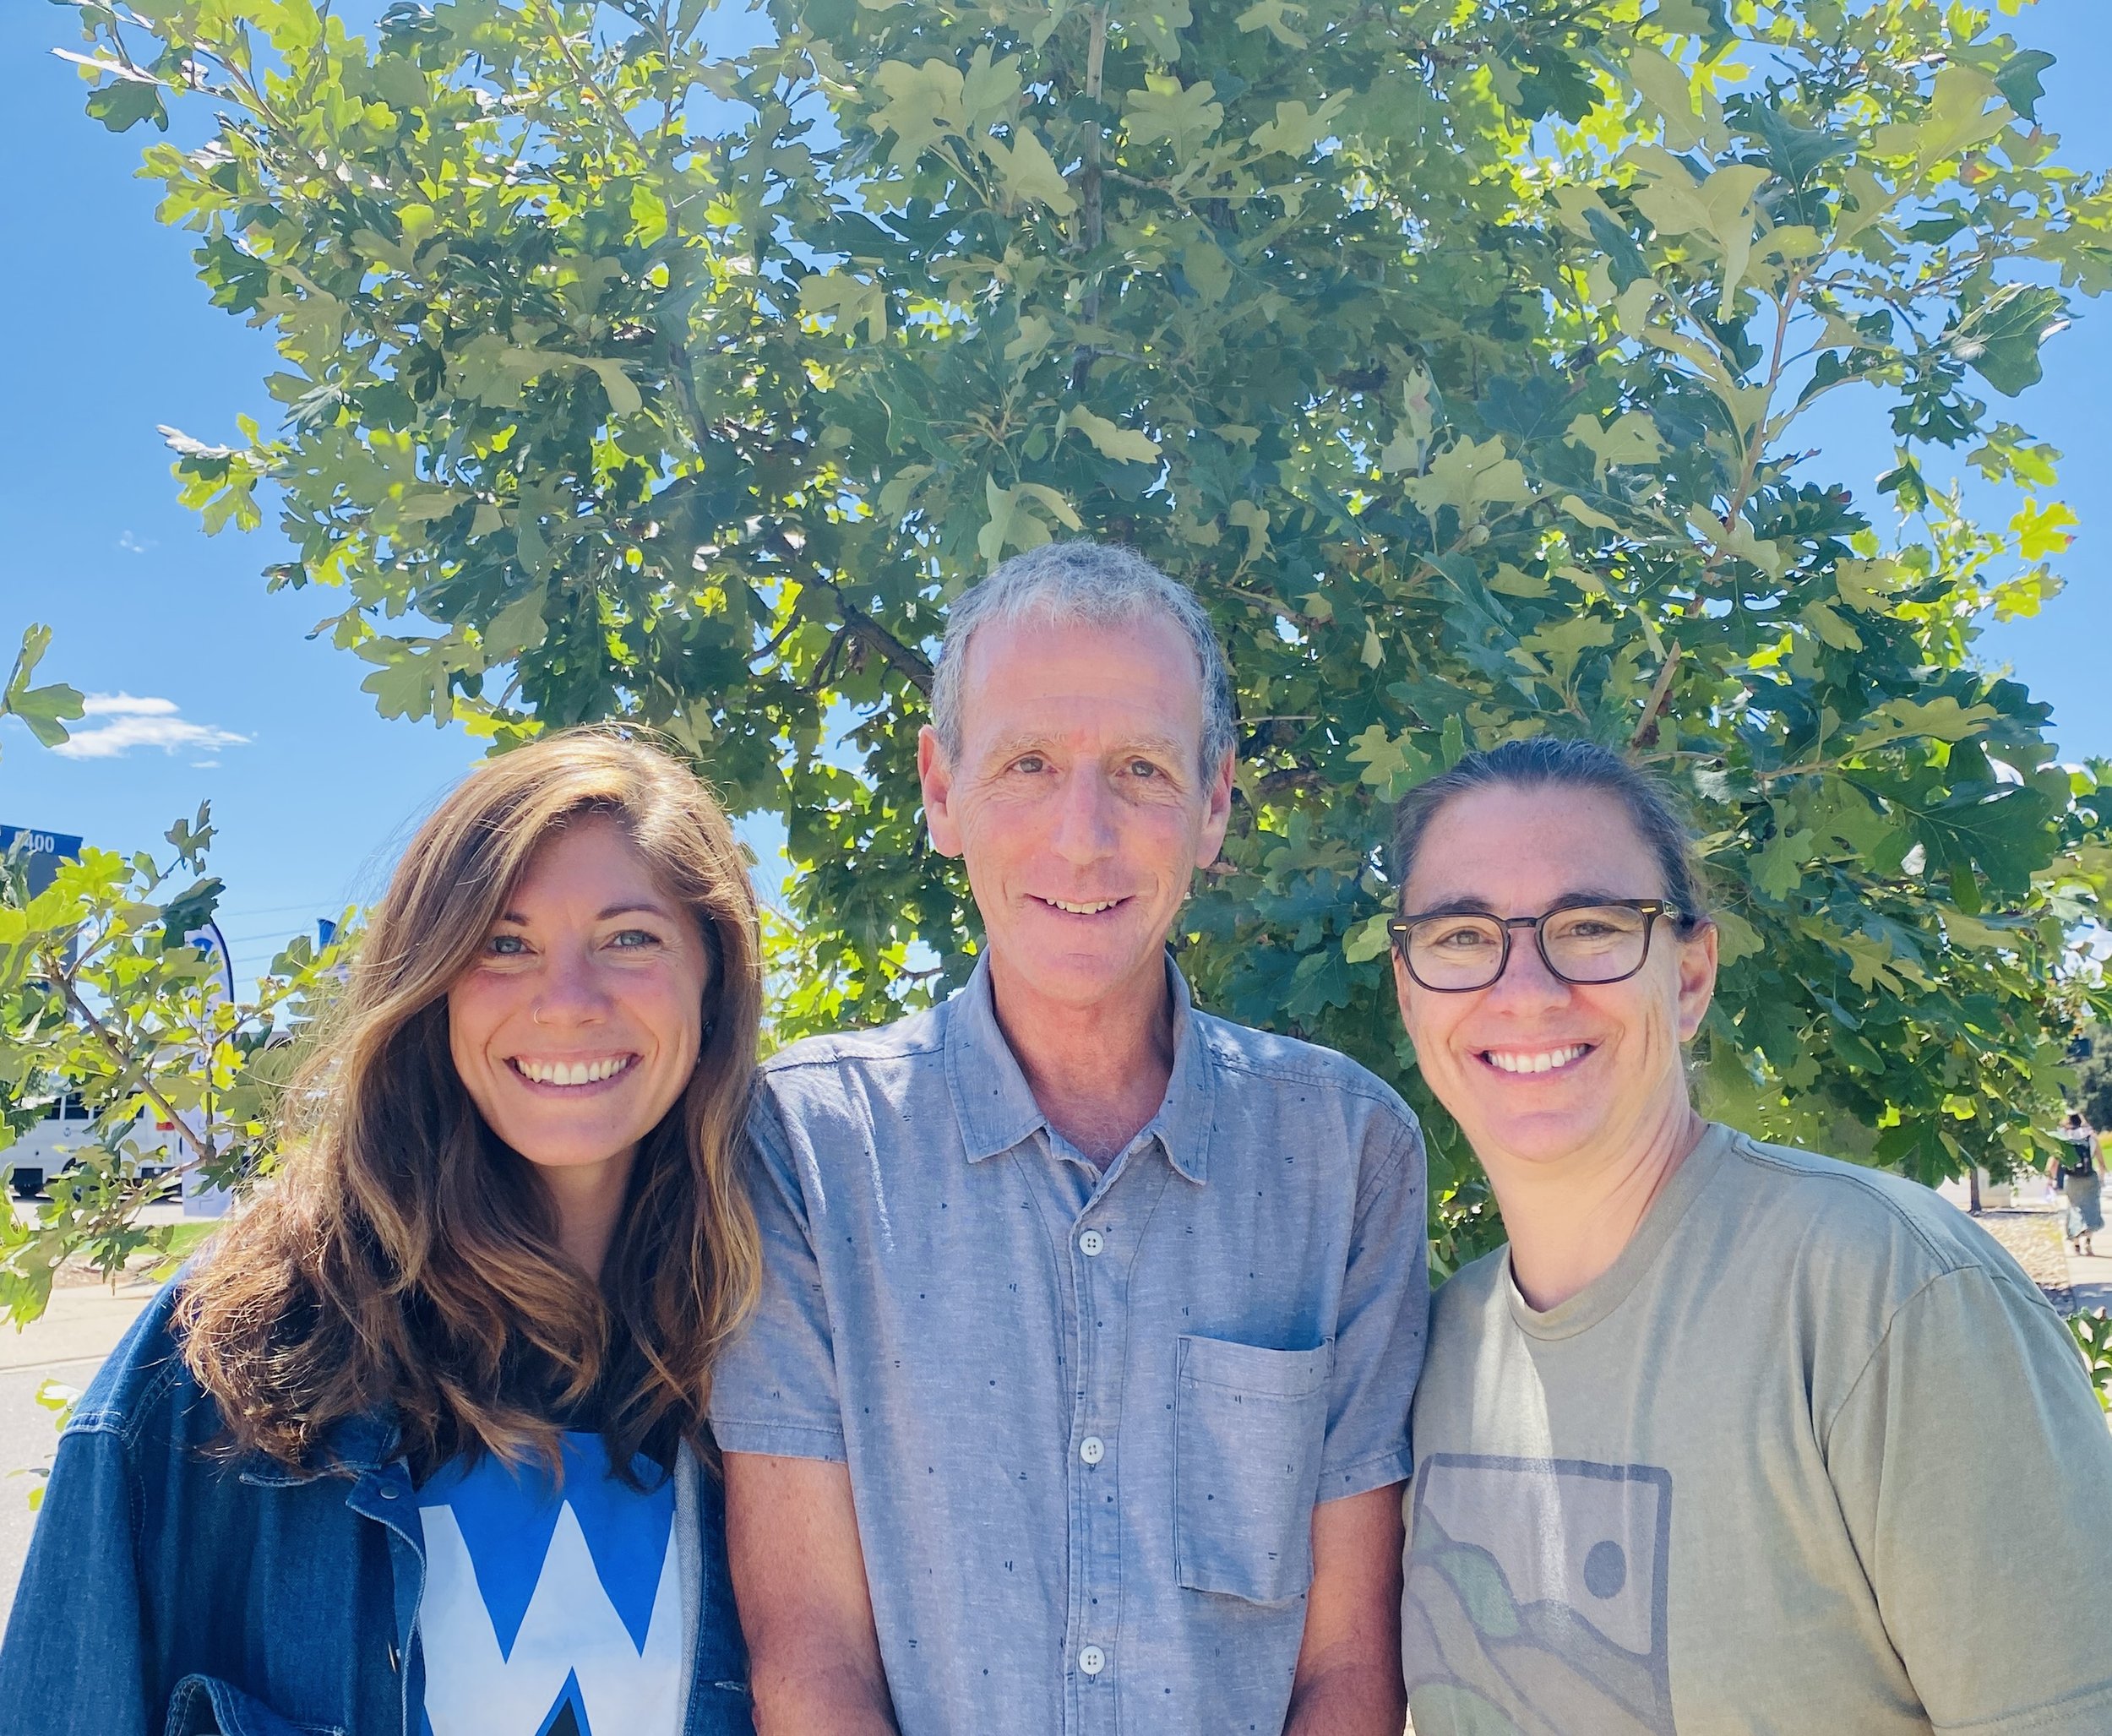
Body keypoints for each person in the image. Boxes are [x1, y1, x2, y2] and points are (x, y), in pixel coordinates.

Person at [709, 541, 1428, 1735]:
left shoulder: (1348, 1154)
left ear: (1213, 804)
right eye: (1028, 763)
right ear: (941, 791)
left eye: (1141, 768)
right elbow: (812, 1652)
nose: (1083, 834)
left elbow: (1350, 1664)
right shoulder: (803, 1144)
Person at [0, 732, 763, 1736]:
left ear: (714, 981)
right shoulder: (211, 1373)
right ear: (430, 984)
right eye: (503, 942)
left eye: (630, 938)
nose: (568, 1002)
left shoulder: (800, 1345)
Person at [1385, 735, 2112, 1736]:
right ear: (1407, 988)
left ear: (1688, 978)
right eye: (1461, 936)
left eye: (1590, 926)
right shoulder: (1431, 1347)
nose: (1526, 989)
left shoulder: (1885, 1293)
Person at [2050, 1110, 2101, 1257]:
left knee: (2075, 1208)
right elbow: (2101, 1162)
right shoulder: (2091, 1137)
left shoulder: (2065, 1137)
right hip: (2090, 1178)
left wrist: (2052, 1178)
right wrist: (2103, 1176)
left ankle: (2076, 1243)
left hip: (2071, 1179)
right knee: (2091, 1208)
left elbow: (2055, 1162)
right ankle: (2088, 1242)